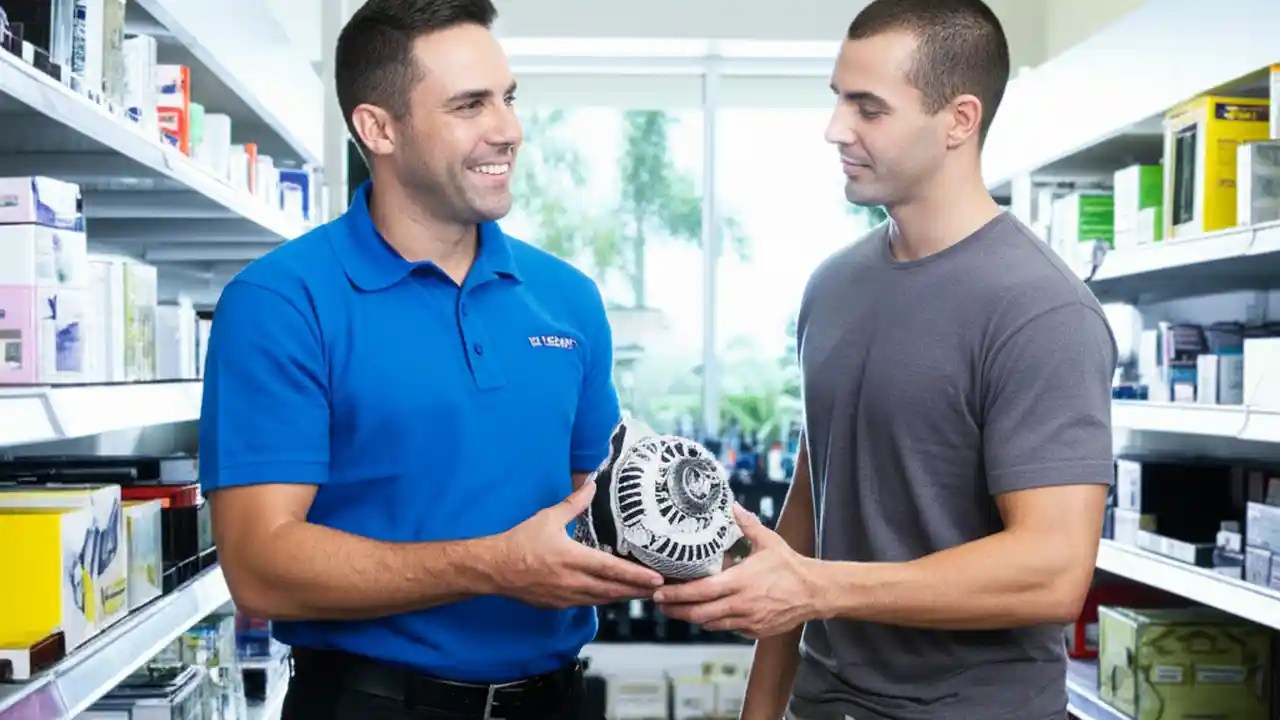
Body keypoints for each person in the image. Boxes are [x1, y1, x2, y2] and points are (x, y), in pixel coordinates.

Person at [196, 1, 665, 718]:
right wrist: (494, 566)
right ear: (377, 128)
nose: (508, 129)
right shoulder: (281, 302)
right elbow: (260, 569)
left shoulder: (567, 298)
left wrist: (696, 547)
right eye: (470, 105)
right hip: (372, 704)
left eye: (508, 99)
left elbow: (594, 505)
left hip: (557, 700)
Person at [656, 1, 1117, 719]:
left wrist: (820, 587)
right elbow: (807, 519)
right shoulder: (832, 287)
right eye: (839, 99)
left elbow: (1053, 571)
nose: (835, 128)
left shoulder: (1040, 310)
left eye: (868, 108)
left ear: (959, 120)